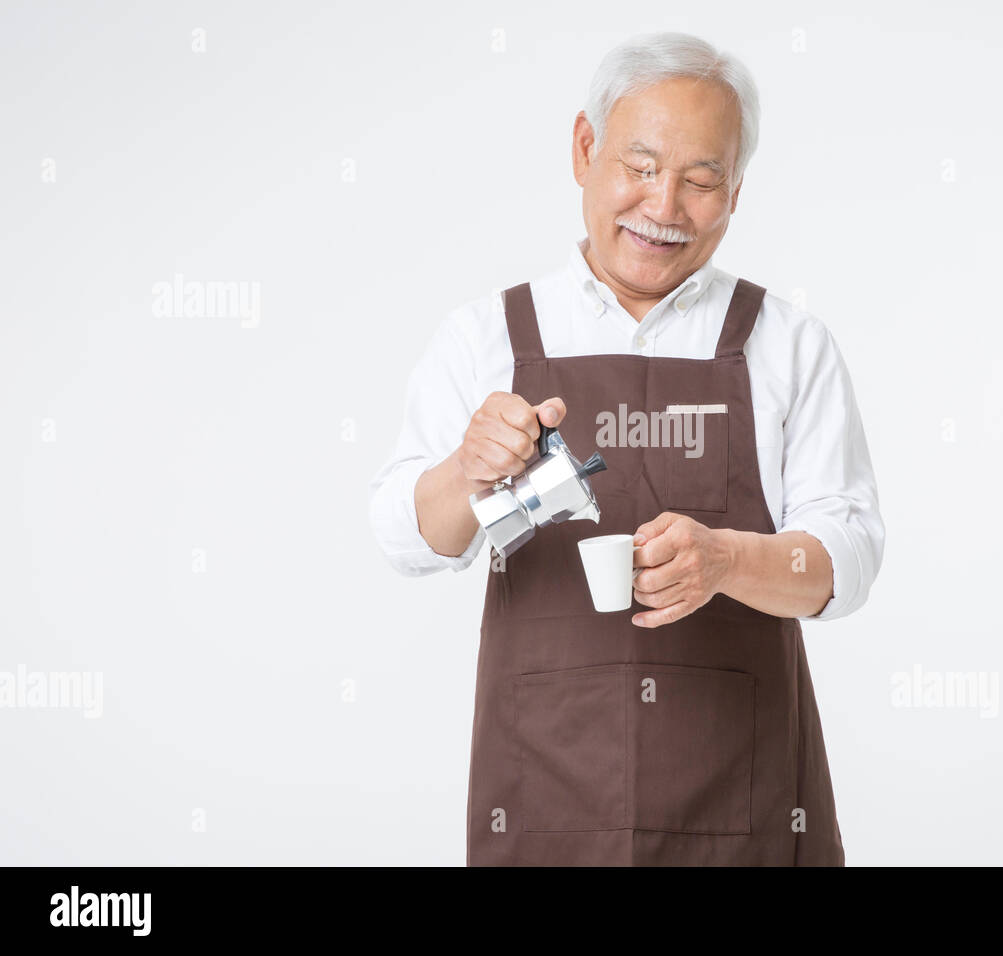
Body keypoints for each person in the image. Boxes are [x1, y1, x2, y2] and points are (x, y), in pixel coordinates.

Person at [369, 31, 885, 866]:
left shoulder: (788, 344)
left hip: (745, 806)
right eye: (641, 167)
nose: (665, 207)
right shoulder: (485, 337)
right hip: (542, 800)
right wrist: (467, 470)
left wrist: (725, 560)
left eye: (701, 179)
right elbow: (404, 540)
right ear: (584, 149)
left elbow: (847, 562)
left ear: (737, 192)